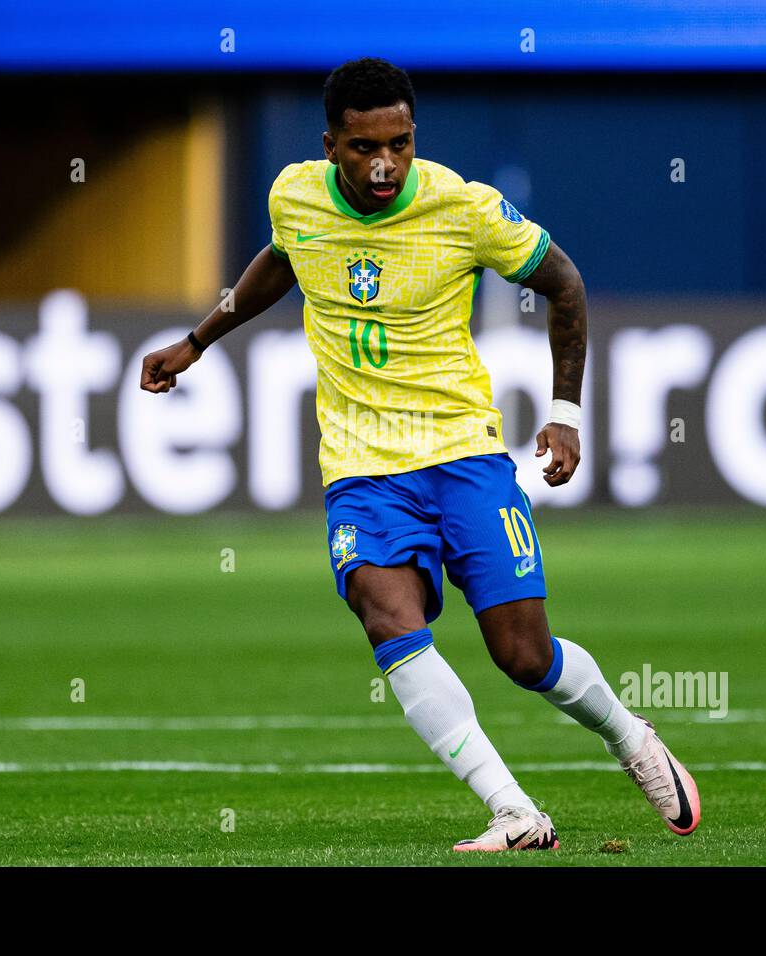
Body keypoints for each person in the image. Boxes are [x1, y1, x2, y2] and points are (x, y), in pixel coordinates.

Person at [141, 57, 700, 851]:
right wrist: (198, 341)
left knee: (523, 653)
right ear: (330, 143)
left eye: (398, 145)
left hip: (463, 453)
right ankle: (514, 810)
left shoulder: (463, 207)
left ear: (414, 137)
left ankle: (628, 736)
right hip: (361, 468)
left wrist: (566, 413)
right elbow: (281, 259)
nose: (383, 166)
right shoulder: (294, 195)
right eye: (364, 148)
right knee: (387, 618)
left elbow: (565, 284)